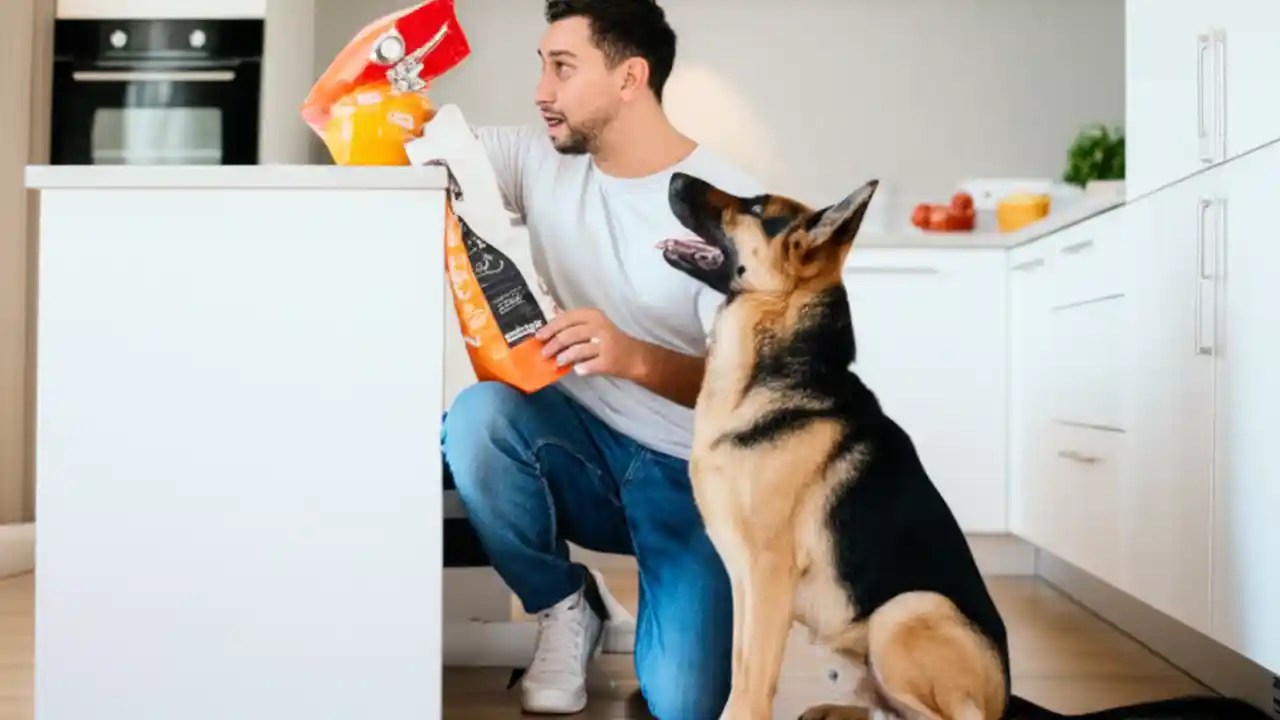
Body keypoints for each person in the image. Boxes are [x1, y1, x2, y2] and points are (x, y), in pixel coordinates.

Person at [441, 0, 765, 717]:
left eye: (562, 68)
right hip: (578, 447)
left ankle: (671, 595)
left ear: (630, 78)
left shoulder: (729, 206)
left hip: (690, 476)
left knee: (684, 702)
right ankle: (565, 605)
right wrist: (381, 86)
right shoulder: (539, 158)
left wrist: (635, 357)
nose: (540, 92)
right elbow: (420, 152)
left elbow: (758, 387)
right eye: (541, 67)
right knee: (477, 418)